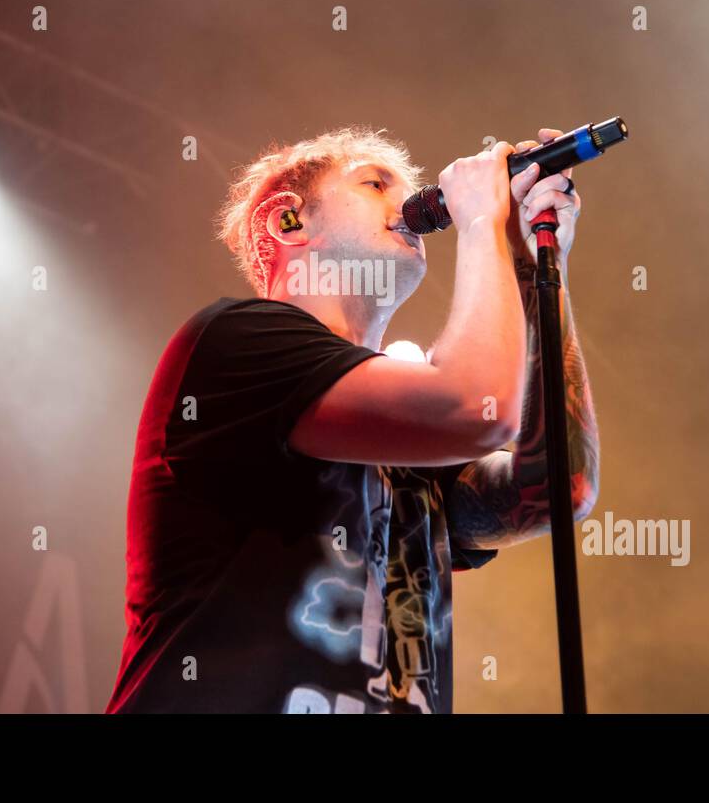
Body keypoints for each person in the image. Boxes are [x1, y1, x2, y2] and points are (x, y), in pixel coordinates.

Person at [106, 125, 600, 713]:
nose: (407, 201)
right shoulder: (235, 343)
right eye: (374, 183)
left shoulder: (408, 446)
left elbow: (559, 489)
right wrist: (477, 225)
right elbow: (479, 409)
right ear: (289, 221)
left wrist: (532, 270)